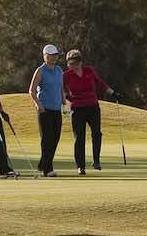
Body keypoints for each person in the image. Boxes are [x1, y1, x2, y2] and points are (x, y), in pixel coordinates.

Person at [62, 49, 115, 175]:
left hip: (92, 106)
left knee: (97, 134)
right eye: (70, 63)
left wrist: (112, 92)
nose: (72, 66)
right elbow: (61, 89)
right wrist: (65, 99)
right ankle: (80, 166)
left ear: (80, 62)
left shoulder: (89, 70)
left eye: (74, 63)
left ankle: (96, 161)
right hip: (77, 108)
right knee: (79, 138)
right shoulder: (66, 75)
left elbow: (99, 83)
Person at [28, 44, 67, 176]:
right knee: (47, 139)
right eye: (51, 55)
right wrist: (39, 105)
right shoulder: (40, 71)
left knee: (55, 138)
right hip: (44, 109)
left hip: (57, 109)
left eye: (55, 55)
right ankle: (47, 169)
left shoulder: (59, 70)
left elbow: (61, 88)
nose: (54, 57)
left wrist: (64, 102)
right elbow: (32, 91)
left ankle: (42, 163)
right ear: (45, 56)